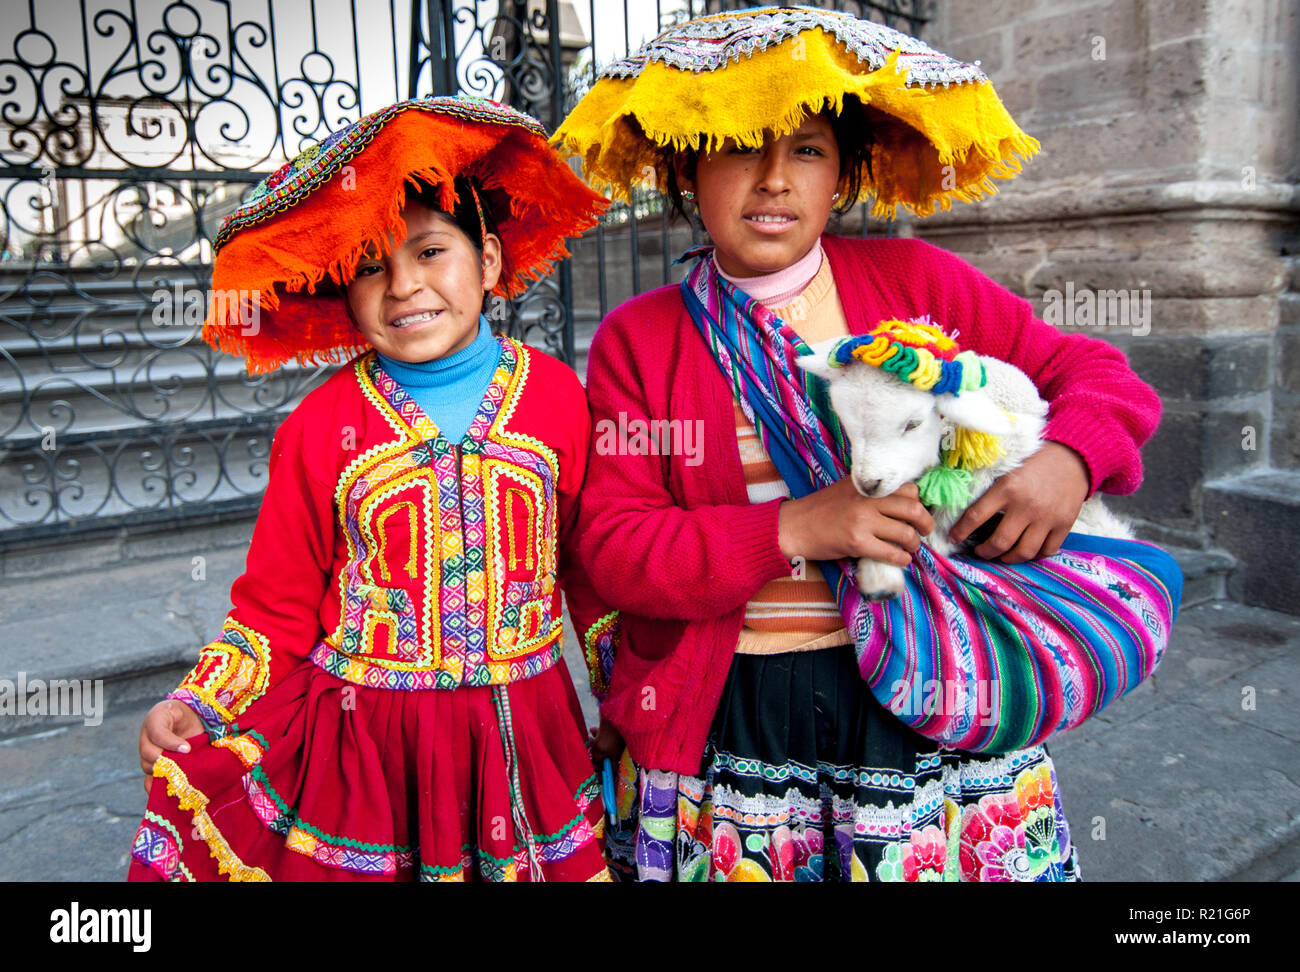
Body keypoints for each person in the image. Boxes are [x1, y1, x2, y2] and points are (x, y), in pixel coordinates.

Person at [554, 7, 1173, 881]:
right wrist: (796, 530)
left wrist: (1066, 460)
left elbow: (1095, 374)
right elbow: (615, 548)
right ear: (689, 170)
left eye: (806, 150)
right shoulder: (639, 341)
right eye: (740, 146)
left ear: (842, 175)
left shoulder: (919, 284)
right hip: (737, 719)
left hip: (938, 693)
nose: (774, 179)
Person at [129, 95, 615, 882]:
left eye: (430, 252)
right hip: (367, 748)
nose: (403, 287)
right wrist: (201, 703)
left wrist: (625, 697)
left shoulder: (559, 396)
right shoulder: (321, 429)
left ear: (487, 262)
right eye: (370, 267)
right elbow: (275, 609)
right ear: (342, 294)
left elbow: (590, 571)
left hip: (528, 738)